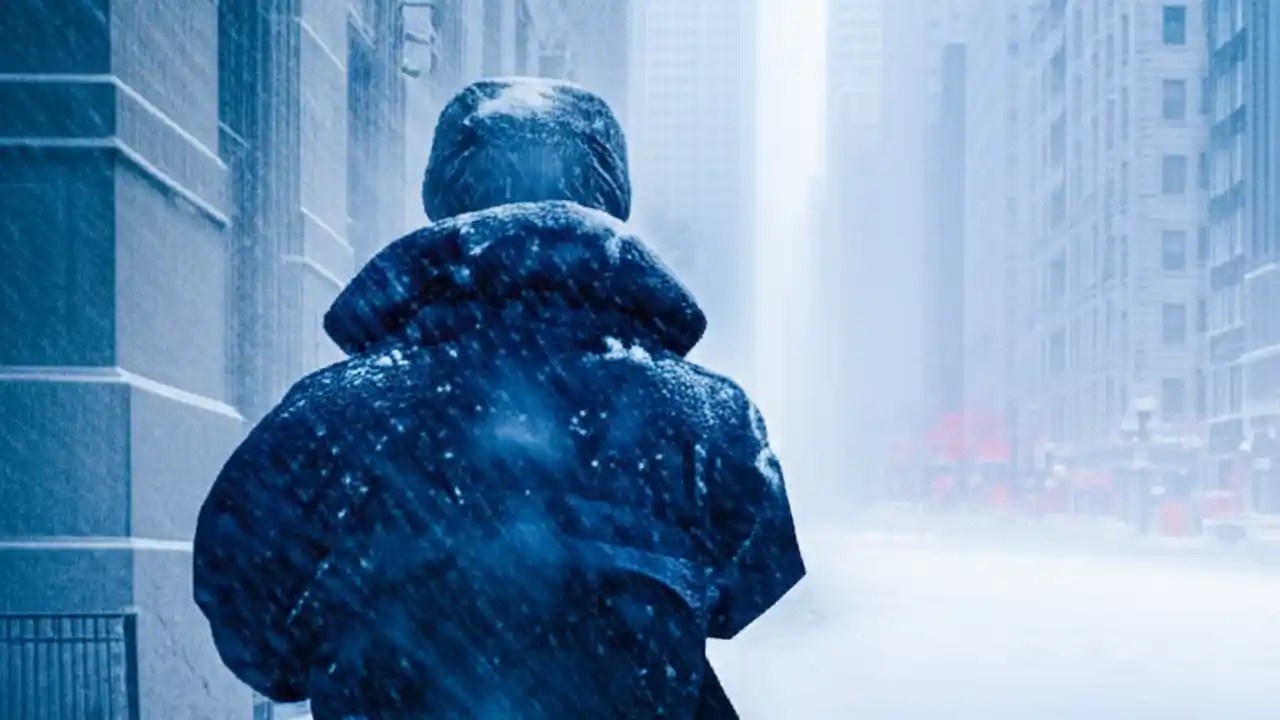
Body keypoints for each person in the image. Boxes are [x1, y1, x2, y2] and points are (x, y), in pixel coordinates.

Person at [193, 77, 805, 719]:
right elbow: (739, 594)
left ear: (444, 199)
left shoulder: (328, 417)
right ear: (609, 201)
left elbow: (257, 631)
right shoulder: (711, 421)